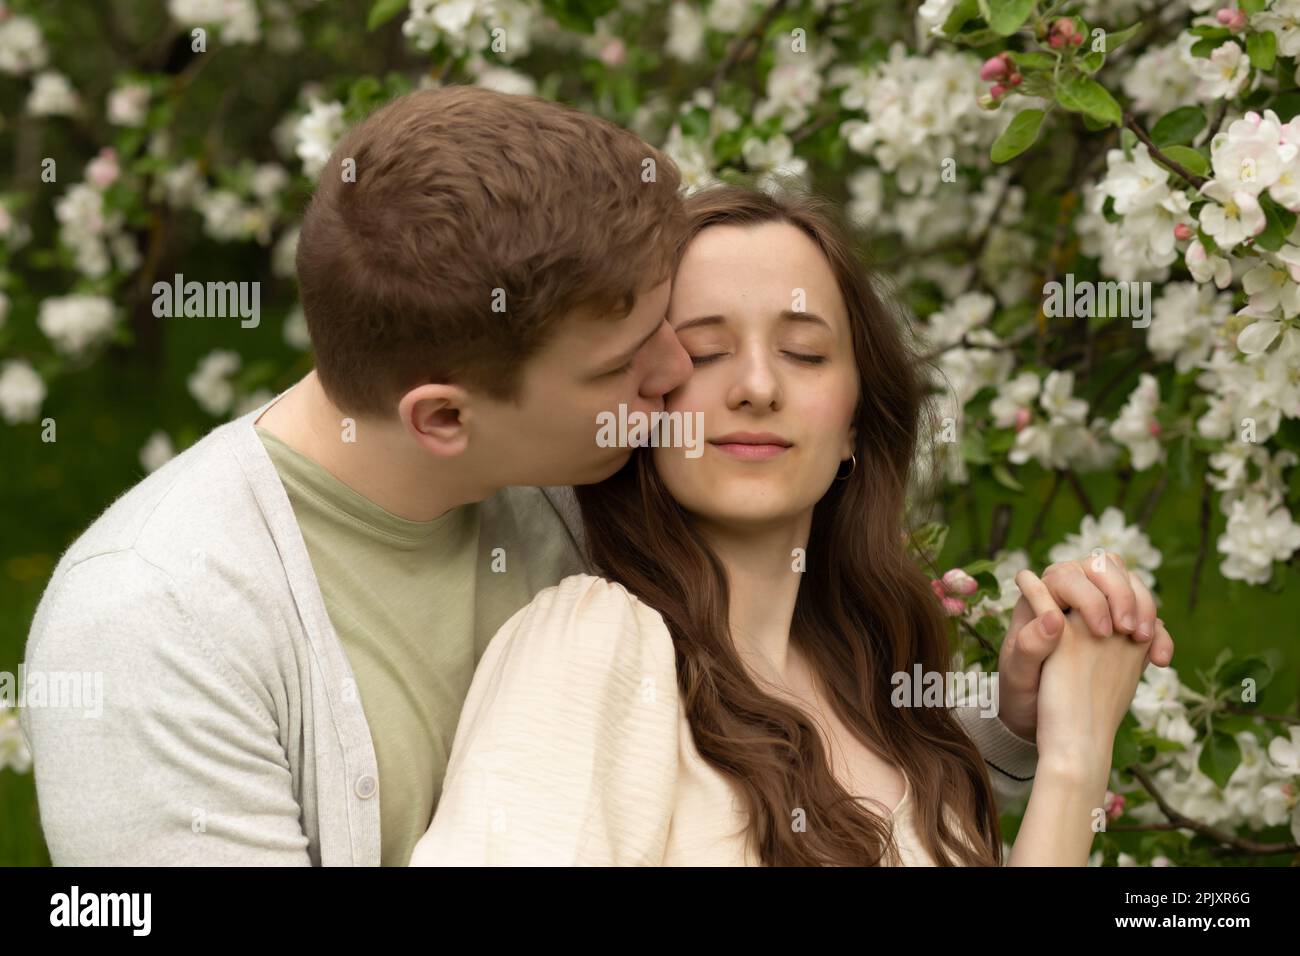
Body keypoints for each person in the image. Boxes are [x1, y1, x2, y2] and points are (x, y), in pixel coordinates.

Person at [22, 88, 1169, 866]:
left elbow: (751, 737)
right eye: (652, 356)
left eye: (802, 353)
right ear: (444, 419)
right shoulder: (156, 620)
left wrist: (1009, 734)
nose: (692, 382)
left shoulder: (580, 475)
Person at [410, 185, 1165, 866]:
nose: (758, 386)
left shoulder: (894, 714)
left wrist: (1050, 725)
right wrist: (1074, 765)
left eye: (803, 353)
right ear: (641, 403)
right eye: (704, 352)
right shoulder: (596, 647)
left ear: (856, 426)